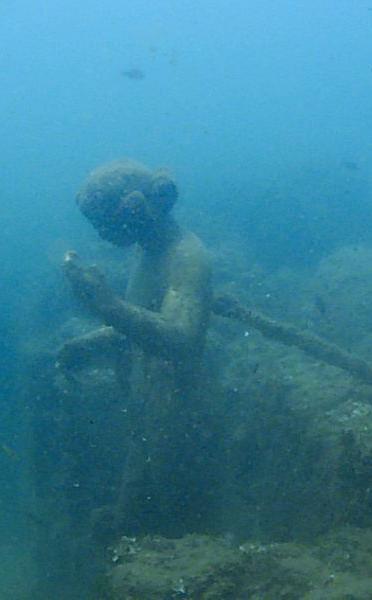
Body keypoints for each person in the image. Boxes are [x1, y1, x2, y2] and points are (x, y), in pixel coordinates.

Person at [57, 159, 215, 537]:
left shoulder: (185, 256)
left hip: (181, 423)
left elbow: (183, 340)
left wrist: (108, 306)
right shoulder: (150, 253)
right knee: (131, 527)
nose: (101, 235)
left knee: (179, 531)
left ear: (134, 207)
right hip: (150, 417)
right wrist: (87, 345)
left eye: (103, 223)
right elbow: (142, 323)